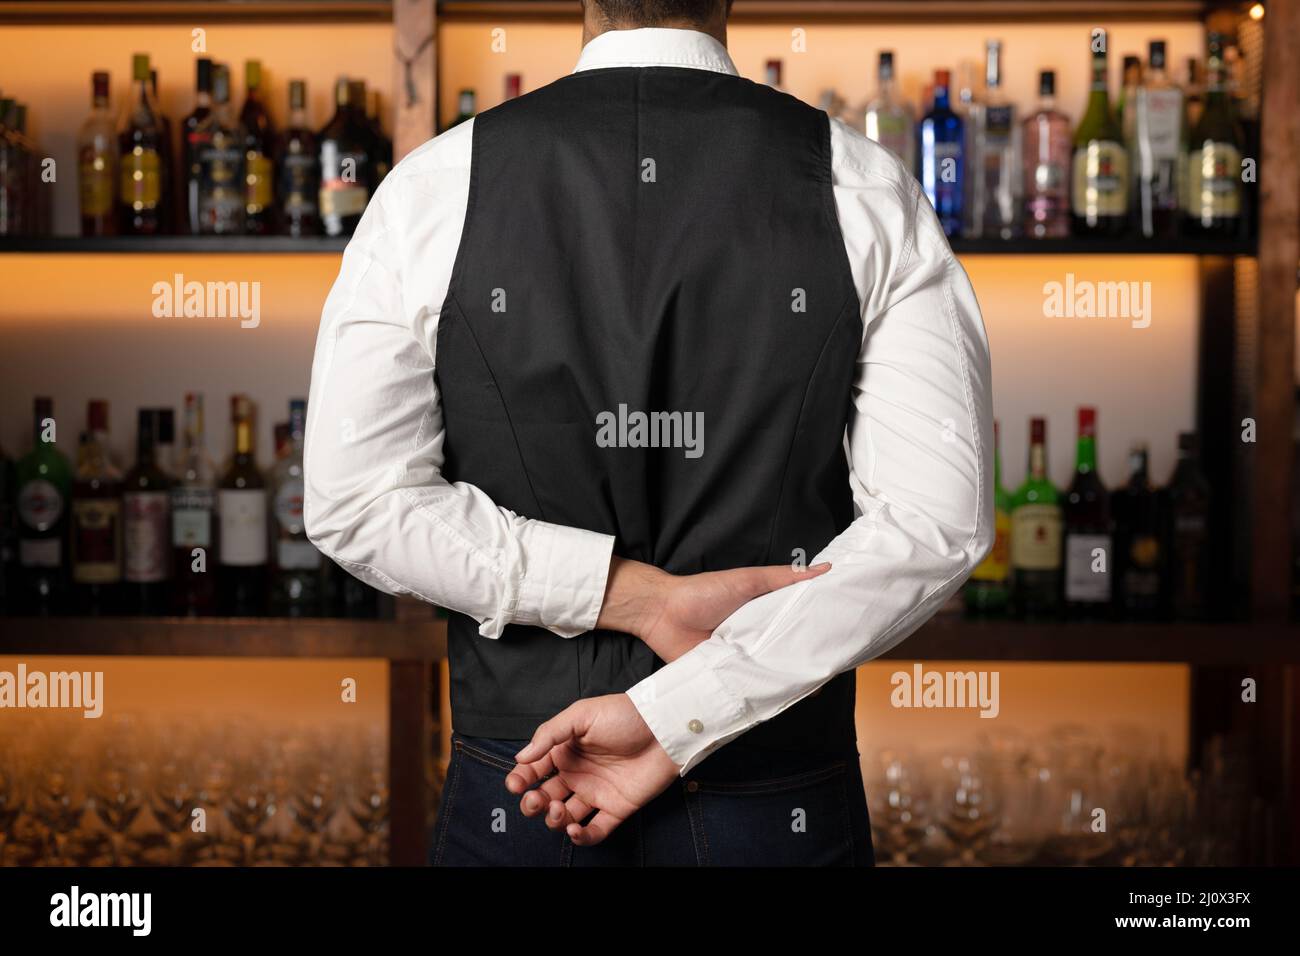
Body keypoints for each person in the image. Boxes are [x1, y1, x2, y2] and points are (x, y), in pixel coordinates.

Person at [304, 0, 993, 866]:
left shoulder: (431, 187)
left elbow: (357, 501)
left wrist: (625, 599)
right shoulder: (864, 186)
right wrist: (682, 695)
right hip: (775, 806)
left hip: (525, 791)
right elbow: (937, 523)